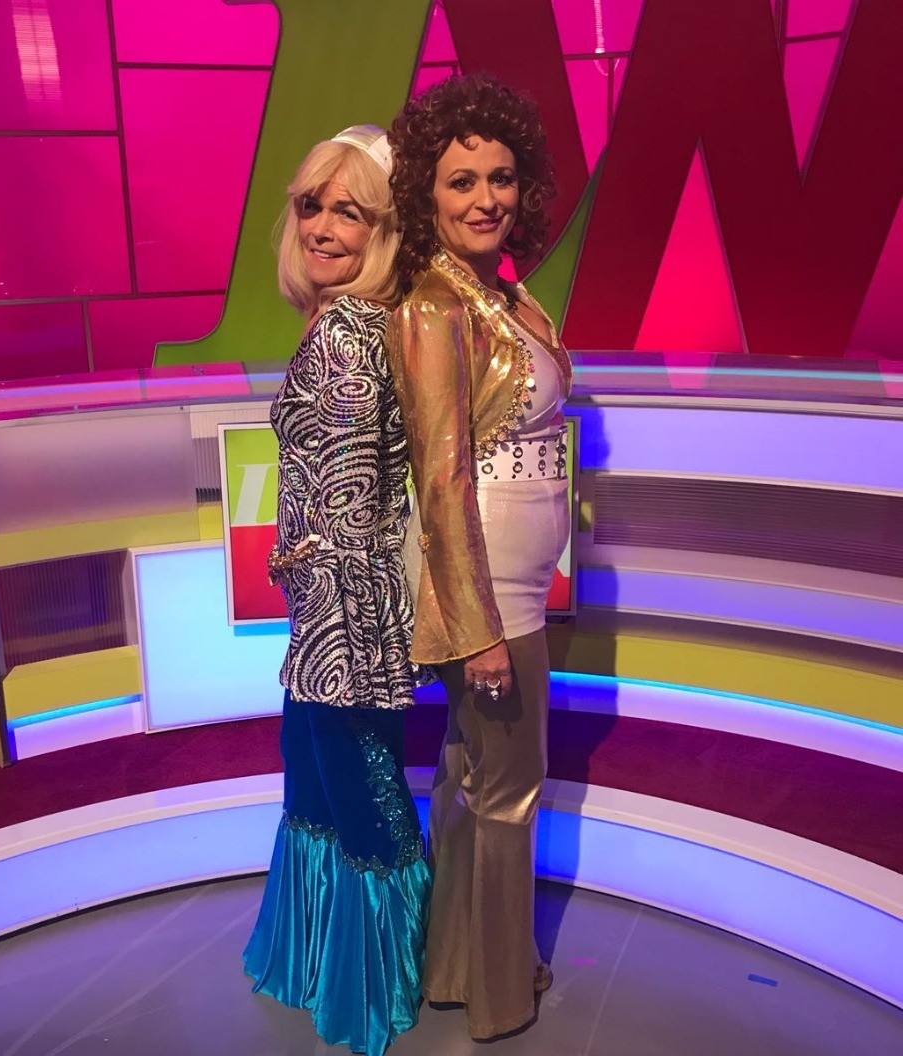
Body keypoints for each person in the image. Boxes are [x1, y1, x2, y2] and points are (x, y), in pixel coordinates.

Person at [386, 74, 573, 1041]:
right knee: (509, 789)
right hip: (491, 592)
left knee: (470, 778)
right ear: (427, 191)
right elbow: (441, 478)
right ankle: (502, 995)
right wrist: (477, 628)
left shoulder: (502, 292)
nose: (486, 198)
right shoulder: (434, 306)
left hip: (518, 581)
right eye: (462, 181)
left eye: (500, 177)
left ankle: (457, 969)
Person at [242, 125, 430, 1056]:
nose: (320, 226)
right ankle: (324, 958)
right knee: (320, 782)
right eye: (311, 205)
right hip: (326, 606)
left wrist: (318, 586)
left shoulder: (349, 334)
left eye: (347, 211)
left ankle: (383, 978)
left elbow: (355, 502)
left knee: (361, 793)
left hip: (342, 618)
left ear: (383, 230)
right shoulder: (341, 322)